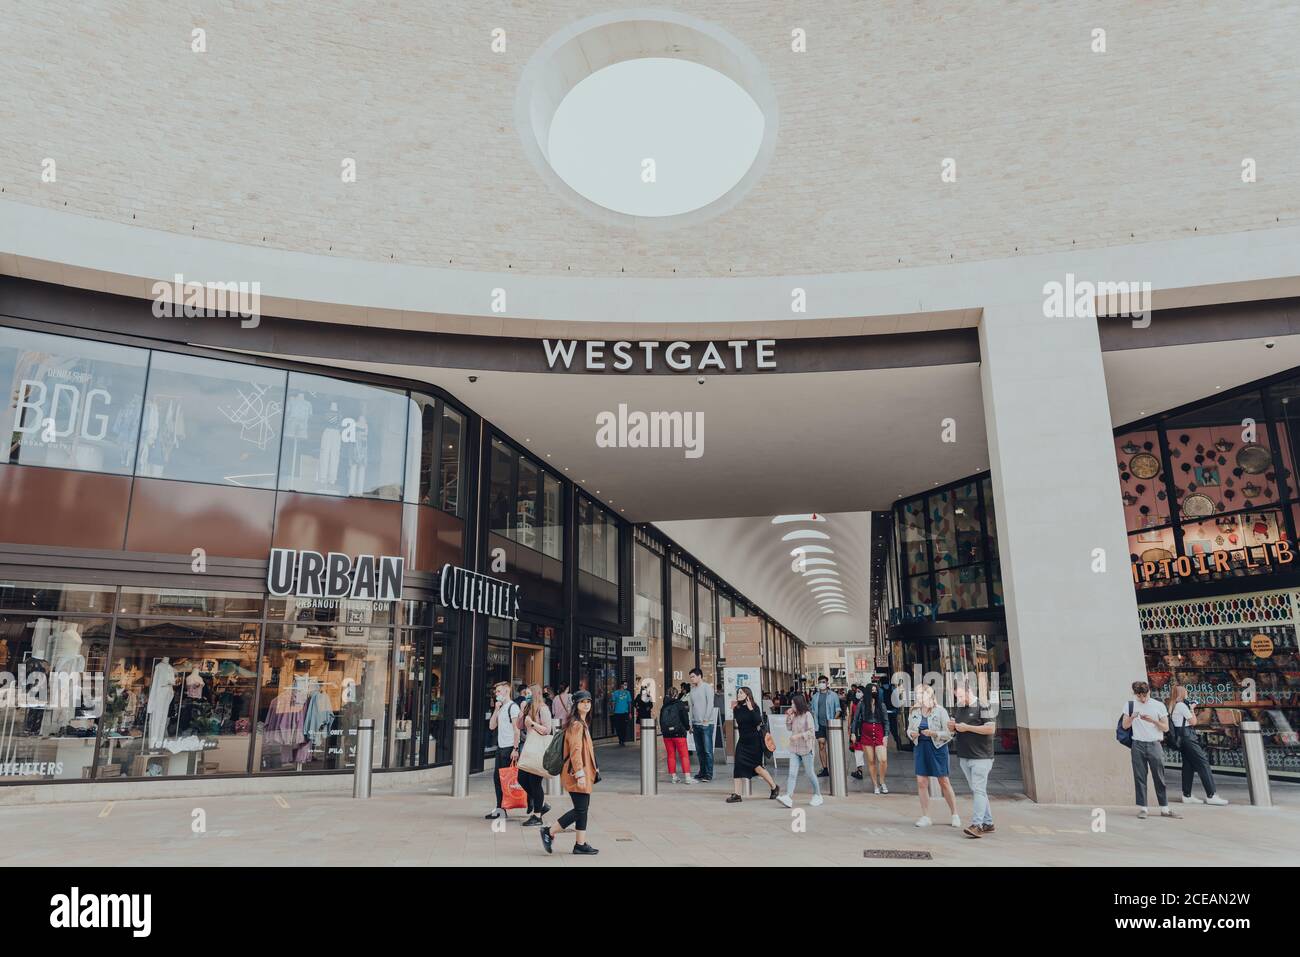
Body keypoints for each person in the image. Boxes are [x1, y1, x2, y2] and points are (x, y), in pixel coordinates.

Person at [540, 690, 600, 855]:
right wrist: (580, 774)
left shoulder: (581, 722)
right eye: (582, 702)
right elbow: (575, 751)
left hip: (582, 771)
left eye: (588, 701)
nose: (586, 704)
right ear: (576, 705)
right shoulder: (576, 724)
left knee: (583, 808)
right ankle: (549, 831)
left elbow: (587, 750)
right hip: (576, 773)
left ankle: (580, 844)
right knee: (580, 809)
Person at [1121, 680, 1181, 820]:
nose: (1142, 699)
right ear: (1134, 694)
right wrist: (1132, 717)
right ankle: (1143, 808)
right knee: (1140, 776)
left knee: (1159, 776)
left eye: (1145, 696)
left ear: (1149, 692)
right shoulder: (1129, 705)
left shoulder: (1158, 705)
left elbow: (1165, 728)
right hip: (1138, 745)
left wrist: (1152, 721)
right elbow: (1124, 726)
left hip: (1155, 744)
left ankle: (1164, 808)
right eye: (1139, 696)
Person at [907, 683, 960, 828]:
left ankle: (954, 814)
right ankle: (926, 816)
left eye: (921, 694)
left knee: (943, 781)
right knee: (921, 782)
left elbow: (949, 734)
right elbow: (909, 729)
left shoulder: (940, 711)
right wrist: (911, 734)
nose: (918, 696)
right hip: (921, 747)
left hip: (937, 748)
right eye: (917, 694)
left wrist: (934, 733)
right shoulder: (914, 711)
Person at [948, 678, 995, 838]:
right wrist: (952, 727)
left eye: (961, 696)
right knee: (978, 790)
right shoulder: (960, 708)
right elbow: (956, 730)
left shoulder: (984, 705)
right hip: (964, 755)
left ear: (969, 691)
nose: (959, 700)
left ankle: (977, 824)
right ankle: (988, 822)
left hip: (981, 756)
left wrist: (968, 728)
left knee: (978, 789)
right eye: (957, 697)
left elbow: (990, 729)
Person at [1167, 684, 1228, 806]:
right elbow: (1193, 722)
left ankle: (1187, 795)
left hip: (1181, 738)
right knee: (1203, 763)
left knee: (1188, 766)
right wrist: (1192, 708)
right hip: (1188, 737)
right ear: (1182, 694)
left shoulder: (1172, 706)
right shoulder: (1181, 706)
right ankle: (1211, 795)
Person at [726, 686, 780, 803]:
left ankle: (774, 787)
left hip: (754, 742)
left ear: (747, 694)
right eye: (738, 693)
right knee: (738, 766)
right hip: (743, 741)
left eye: (741, 693)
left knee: (758, 768)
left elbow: (758, 721)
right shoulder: (737, 708)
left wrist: (750, 709)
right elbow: (741, 722)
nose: (739, 694)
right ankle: (737, 795)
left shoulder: (755, 707)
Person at [517, 683, 553, 827]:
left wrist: (532, 724)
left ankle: (537, 816)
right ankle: (542, 804)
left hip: (538, 749)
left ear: (536, 694)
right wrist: (522, 713)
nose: (527, 696)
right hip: (528, 749)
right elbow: (519, 726)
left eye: (529, 693)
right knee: (521, 778)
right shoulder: (527, 707)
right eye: (526, 694)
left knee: (535, 782)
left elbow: (547, 730)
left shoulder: (543, 709)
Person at [777, 693, 823, 808]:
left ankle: (818, 795)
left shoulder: (807, 715)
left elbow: (811, 732)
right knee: (792, 773)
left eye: (793, 703)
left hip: (806, 749)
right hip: (794, 749)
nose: (791, 705)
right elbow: (789, 728)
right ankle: (788, 796)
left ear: (798, 703)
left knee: (810, 773)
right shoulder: (794, 715)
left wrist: (798, 736)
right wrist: (788, 717)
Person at [485, 680, 520, 821]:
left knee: (509, 780)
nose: (496, 694)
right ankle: (500, 809)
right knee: (498, 780)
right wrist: (496, 709)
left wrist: (516, 749)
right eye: (496, 692)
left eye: (499, 691)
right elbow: (492, 726)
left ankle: (538, 803)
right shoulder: (501, 708)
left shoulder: (513, 707)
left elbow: (516, 730)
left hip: (509, 748)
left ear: (507, 691)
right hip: (500, 748)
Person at [852, 680, 890, 794]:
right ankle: (875, 785)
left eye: (876, 690)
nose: (875, 692)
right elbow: (855, 719)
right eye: (873, 690)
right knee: (871, 761)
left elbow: (886, 721)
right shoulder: (862, 704)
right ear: (868, 692)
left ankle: (882, 781)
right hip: (866, 733)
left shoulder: (881, 704)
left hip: (879, 732)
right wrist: (853, 733)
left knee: (883, 759)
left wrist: (886, 735)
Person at [659, 688, 694, 783]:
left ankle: (674, 777)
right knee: (684, 755)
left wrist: (664, 731)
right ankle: (687, 778)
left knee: (671, 755)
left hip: (667, 735)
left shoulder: (664, 706)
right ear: (676, 694)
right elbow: (685, 718)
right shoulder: (680, 704)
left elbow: (661, 720)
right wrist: (687, 728)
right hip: (679, 733)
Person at [688, 668, 716, 782]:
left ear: (700, 676)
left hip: (706, 724)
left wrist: (706, 719)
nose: (691, 679)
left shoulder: (707, 688)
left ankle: (708, 774)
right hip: (695, 724)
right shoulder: (692, 690)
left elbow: (710, 704)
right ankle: (702, 772)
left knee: (708, 751)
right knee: (699, 751)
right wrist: (690, 723)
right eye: (690, 677)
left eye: (693, 676)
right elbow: (691, 707)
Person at [810, 675, 840, 777]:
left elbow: (838, 710)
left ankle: (835, 767)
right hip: (819, 725)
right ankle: (825, 768)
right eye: (820, 682)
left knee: (832, 747)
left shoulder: (833, 695)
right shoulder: (814, 697)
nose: (821, 684)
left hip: (830, 725)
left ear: (827, 683)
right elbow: (813, 711)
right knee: (821, 744)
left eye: (823, 682)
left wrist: (833, 721)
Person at [610, 681, 632, 745]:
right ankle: (620, 739)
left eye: (626, 684)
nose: (626, 685)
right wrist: (612, 710)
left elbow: (629, 703)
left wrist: (630, 712)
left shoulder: (628, 693)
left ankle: (623, 740)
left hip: (625, 712)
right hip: (617, 712)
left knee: (624, 726)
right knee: (618, 727)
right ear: (621, 685)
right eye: (625, 684)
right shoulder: (615, 693)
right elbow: (613, 703)